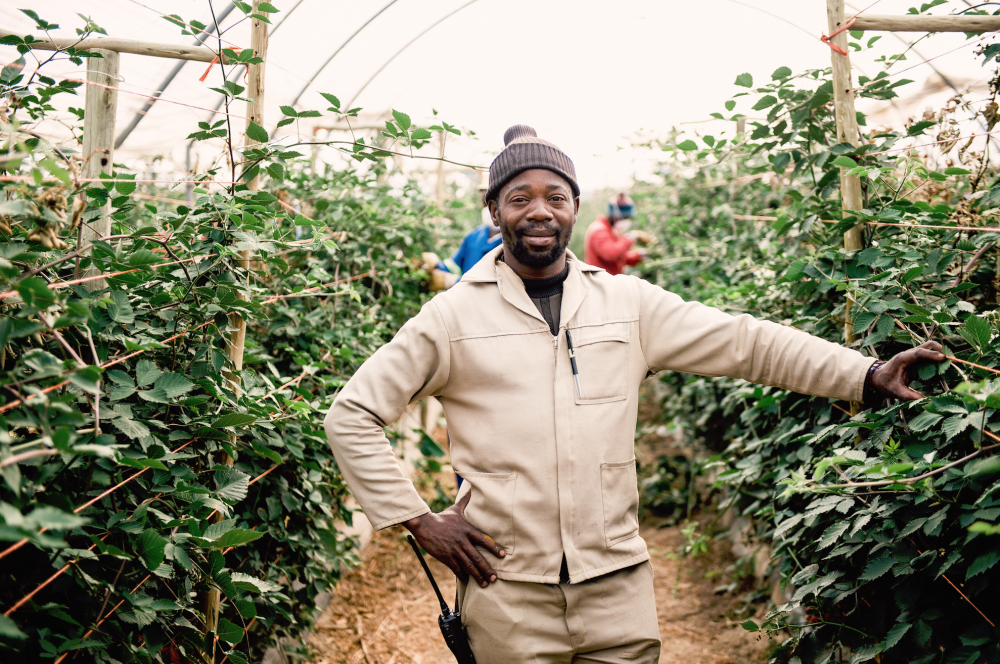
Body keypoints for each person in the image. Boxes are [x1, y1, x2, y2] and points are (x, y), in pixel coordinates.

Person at [324, 124, 943, 663]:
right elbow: (352, 413)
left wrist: (864, 375)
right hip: (505, 587)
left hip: (616, 585)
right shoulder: (451, 318)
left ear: (575, 207)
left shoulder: (627, 304)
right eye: (519, 197)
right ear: (494, 211)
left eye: (555, 196)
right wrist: (417, 520)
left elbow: (745, 343)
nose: (539, 211)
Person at [584, 192, 651, 275]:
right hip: (600, 280)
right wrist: (630, 237)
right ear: (616, 215)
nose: (627, 220)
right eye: (625, 217)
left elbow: (621, 257)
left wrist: (639, 255)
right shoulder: (599, 230)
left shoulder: (613, 230)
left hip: (610, 279)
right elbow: (610, 254)